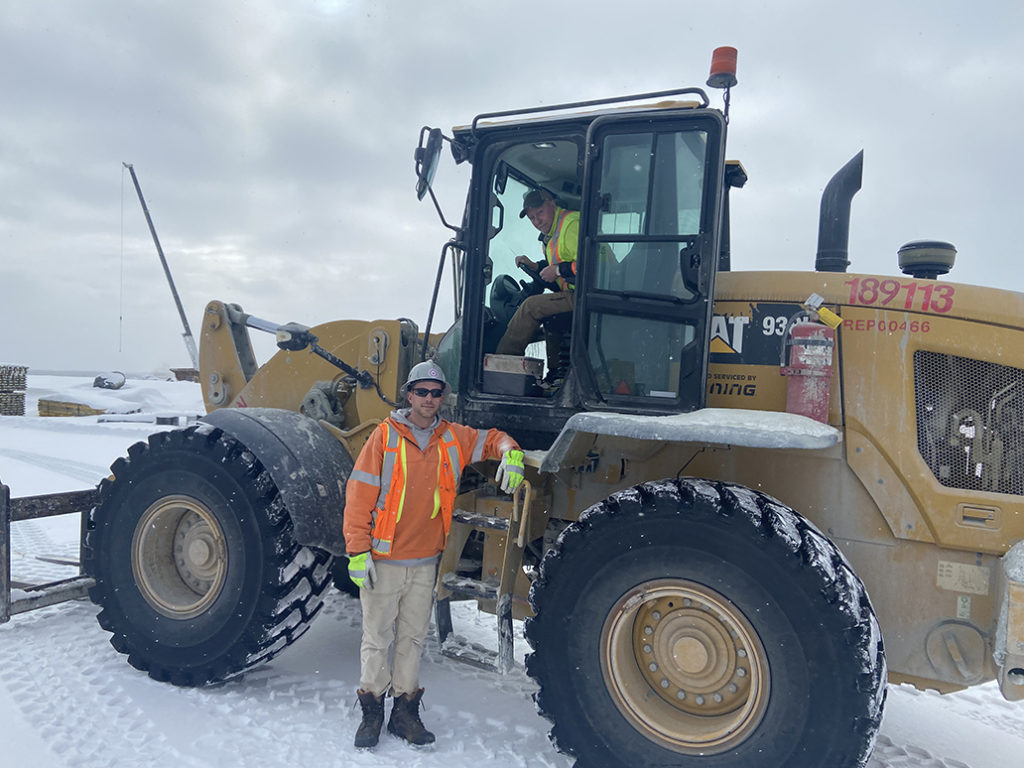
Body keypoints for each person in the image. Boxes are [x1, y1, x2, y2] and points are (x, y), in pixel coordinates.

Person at [344, 360, 524, 749]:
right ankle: (371, 712)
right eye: (421, 391)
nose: (429, 399)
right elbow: (359, 494)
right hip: (385, 559)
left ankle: (405, 714)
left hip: (426, 561)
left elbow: (494, 438)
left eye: (436, 392)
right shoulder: (385, 436)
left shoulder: (453, 437)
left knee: (411, 638)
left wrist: (511, 454)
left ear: (443, 398)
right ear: (409, 395)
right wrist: (358, 551)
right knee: (377, 638)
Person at [495, 189, 580, 384]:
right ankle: (557, 373)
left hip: (587, 294)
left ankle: (501, 367)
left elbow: (592, 265)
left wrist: (558, 271)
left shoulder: (572, 225)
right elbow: (557, 265)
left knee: (531, 307)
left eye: (540, 213)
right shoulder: (551, 235)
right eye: (532, 218)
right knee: (547, 312)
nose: (537, 221)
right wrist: (536, 267)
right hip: (575, 292)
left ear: (552, 204)